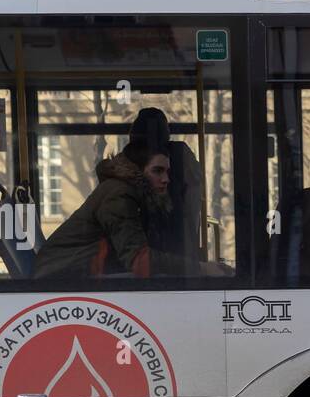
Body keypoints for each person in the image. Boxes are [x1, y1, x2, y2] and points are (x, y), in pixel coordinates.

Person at [34, 138, 184, 279]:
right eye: (157, 171)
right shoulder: (119, 194)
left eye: (167, 172)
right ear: (138, 170)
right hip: (59, 280)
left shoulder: (134, 195)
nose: (166, 179)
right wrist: (198, 269)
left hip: (75, 276)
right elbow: (139, 261)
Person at [128, 107, 204, 267]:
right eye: (157, 171)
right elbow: (194, 193)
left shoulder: (128, 158)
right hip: (178, 228)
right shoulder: (180, 154)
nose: (165, 180)